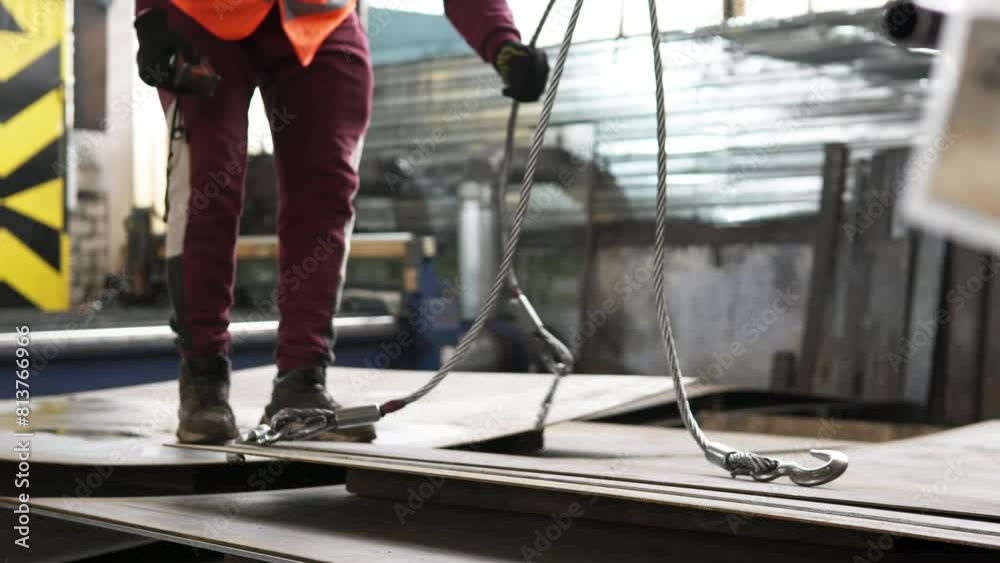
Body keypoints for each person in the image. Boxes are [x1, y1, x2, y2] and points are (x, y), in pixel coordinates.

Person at [134, 0, 550, 444]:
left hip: (321, 18)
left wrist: (501, 42)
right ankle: (203, 382)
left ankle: (302, 383)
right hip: (203, 15)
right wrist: (151, 14)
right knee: (206, 188)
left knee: (325, 194)